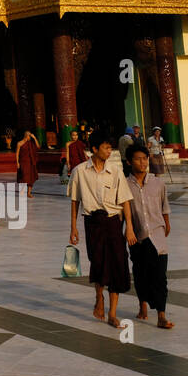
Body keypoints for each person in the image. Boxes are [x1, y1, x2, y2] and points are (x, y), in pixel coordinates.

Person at [68, 129, 137, 328]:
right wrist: (73, 228)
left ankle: (112, 314)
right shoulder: (79, 171)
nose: (109, 151)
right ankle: (99, 296)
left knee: (117, 264)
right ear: (95, 149)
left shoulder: (115, 171)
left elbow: (125, 200)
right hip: (93, 223)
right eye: (106, 147)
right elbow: (75, 201)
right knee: (97, 262)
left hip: (113, 221)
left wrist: (129, 227)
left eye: (110, 147)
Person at [126, 145, 173, 329]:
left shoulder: (158, 183)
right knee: (140, 274)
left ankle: (161, 314)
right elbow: (124, 212)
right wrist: (127, 230)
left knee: (160, 276)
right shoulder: (124, 185)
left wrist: (167, 224)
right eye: (137, 159)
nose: (142, 162)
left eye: (145, 158)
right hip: (138, 236)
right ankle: (142, 304)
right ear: (129, 161)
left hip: (158, 234)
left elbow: (164, 206)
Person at [15, 129, 40, 198]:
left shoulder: (31, 143)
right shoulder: (19, 143)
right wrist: (17, 162)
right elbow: (17, 154)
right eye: (29, 136)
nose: (30, 137)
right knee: (24, 177)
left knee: (31, 178)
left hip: (31, 162)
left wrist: (34, 138)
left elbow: (38, 147)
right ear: (26, 136)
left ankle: (29, 193)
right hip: (23, 162)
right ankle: (22, 191)